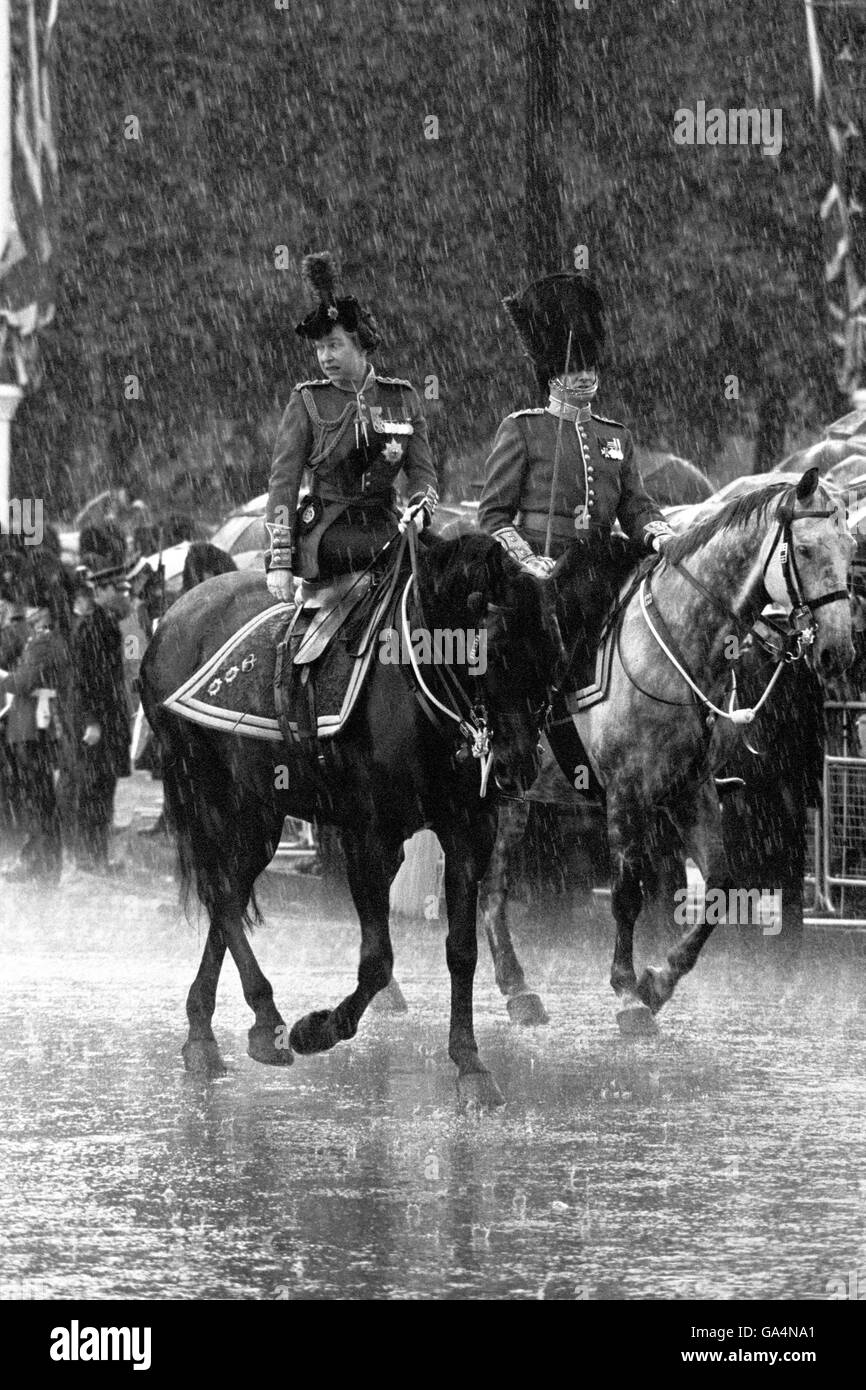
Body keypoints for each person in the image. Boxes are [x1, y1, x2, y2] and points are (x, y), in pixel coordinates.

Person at [265, 252, 439, 602]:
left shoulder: (402, 398)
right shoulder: (307, 400)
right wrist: (279, 561)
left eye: (334, 345)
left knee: (452, 559)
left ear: (359, 345)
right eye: (319, 348)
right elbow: (283, 484)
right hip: (328, 528)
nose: (325, 357)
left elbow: (422, 473)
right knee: (399, 552)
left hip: (386, 519)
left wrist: (419, 511)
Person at [478, 273, 674, 579]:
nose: (584, 376)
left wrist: (660, 535)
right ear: (552, 375)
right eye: (573, 369)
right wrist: (526, 558)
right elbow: (494, 515)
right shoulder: (523, 429)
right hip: (542, 559)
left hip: (601, 561)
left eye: (589, 367)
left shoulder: (617, 435)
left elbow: (635, 505)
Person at [65, 557, 132, 872]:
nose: (125, 595)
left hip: (109, 718)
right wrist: (92, 721)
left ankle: (96, 855)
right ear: (102, 590)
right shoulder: (96, 626)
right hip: (99, 722)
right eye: (119, 589)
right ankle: (90, 857)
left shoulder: (106, 621)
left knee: (103, 789)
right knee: (94, 790)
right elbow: (86, 678)